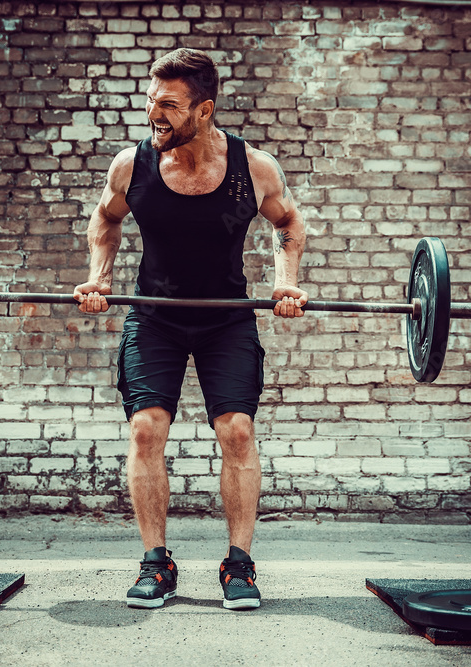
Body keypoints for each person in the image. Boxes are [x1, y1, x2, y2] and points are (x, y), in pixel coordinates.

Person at [73, 48, 308, 611]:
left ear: (204, 111)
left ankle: (239, 566)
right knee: (147, 429)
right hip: (155, 317)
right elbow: (105, 219)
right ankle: (156, 564)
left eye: (169, 105)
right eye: (151, 102)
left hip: (225, 317)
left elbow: (290, 223)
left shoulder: (254, 167)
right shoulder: (132, 166)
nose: (155, 114)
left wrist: (285, 281)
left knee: (238, 432)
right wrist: (98, 277)